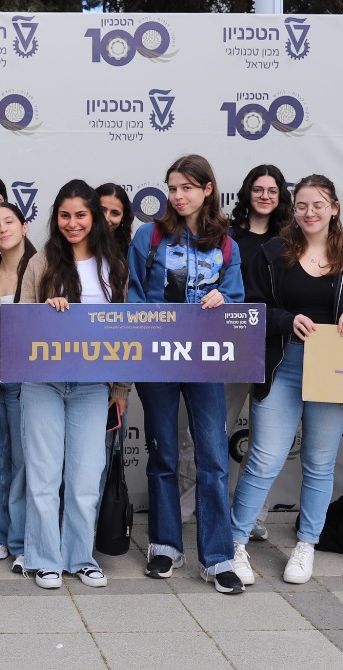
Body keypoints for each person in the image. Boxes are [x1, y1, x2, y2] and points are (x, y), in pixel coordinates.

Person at [230, 174, 343, 585]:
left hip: (333, 368)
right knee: (264, 459)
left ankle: (306, 545)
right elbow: (252, 307)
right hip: (284, 365)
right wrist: (285, 320)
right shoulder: (272, 253)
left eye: (318, 205)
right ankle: (236, 543)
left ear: (334, 208)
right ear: (293, 210)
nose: (309, 212)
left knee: (318, 463)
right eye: (301, 206)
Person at [128, 155, 244, 594]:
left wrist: (223, 299)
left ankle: (218, 558)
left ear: (208, 189)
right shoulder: (149, 235)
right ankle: (165, 546)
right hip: (157, 357)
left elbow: (237, 297)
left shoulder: (226, 242)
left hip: (206, 359)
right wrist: (154, 323)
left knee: (213, 457)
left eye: (187, 188)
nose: (178, 196)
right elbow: (133, 294)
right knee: (163, 453)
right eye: (172, 188)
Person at [17, 180, 129, 589]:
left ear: (94, 217)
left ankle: (80, 557)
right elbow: (22, 324)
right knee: (44, 477)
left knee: (85, 481)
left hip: (92, 386)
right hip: (43, 383)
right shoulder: (41, 262)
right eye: (64, 215)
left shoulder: (114, 266)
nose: (72, 223)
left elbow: (125, 332)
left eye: (81, 214)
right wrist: (46, 312)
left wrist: (121, 388)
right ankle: (44, 559)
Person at [226, 164, 293, 540]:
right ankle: (213, 507)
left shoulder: (291, 240)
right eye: (258, 189)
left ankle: (252, 514)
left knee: (264, 441)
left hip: (275, 348)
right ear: (247, 193)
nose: (265, 196)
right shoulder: (228, 236)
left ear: (281, 196)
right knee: (214, 430)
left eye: (272, 190)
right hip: (231, 346)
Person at [0, 202, 36, 571]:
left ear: (24, 226)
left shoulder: (41, 266)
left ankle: (21, 540)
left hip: (22, 373)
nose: (2, 229)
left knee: (22, 459)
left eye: (9, 222)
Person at [96, 183, 135, 254]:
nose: (106, 218)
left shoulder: (130, 251)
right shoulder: (75, 243)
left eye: (115, 213)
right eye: (102, 210)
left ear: (123, 217)